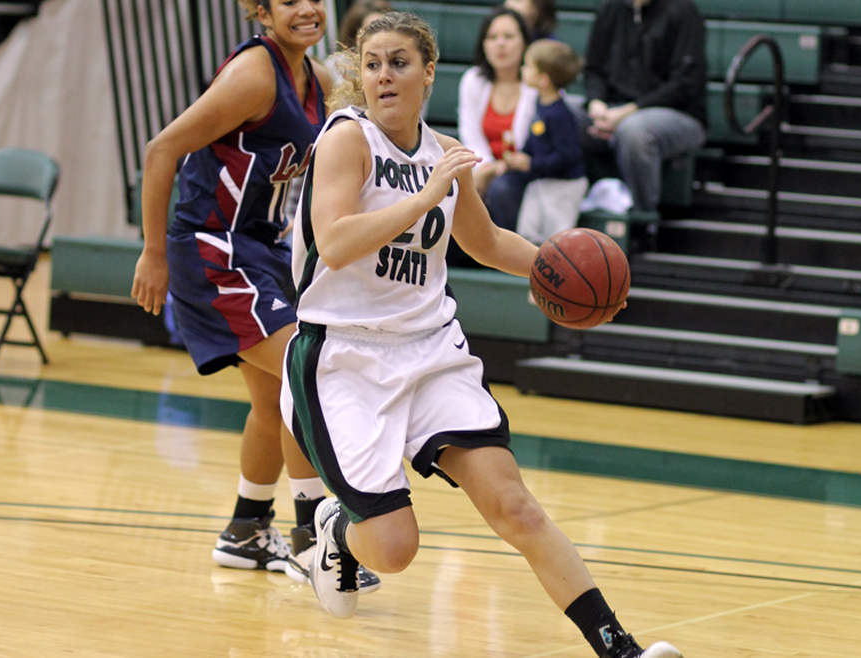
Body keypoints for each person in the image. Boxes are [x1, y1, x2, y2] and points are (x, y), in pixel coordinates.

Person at [281, 11, 682, 658]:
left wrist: (563, 271)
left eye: (399, 63)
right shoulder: (345, 140)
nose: (384, 76)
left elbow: (485, 240)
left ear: (429, 72)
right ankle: (338, 528)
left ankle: (619, 647)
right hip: (342, 354)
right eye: (373, 64)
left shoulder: (444, 154)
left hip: (430, 347)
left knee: (515, 507)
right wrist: (420, 198)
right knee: (394, 548)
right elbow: (332, 243)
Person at [130, 0, 379, 592]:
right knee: (304, 372)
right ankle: (313, 539)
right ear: (261, 12)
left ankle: (245, 530)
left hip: (260, 247)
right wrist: (153, 253)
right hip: (210, 246)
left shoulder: (316, 78)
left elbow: (362, 130)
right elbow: (161, 149)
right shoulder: (254, 73)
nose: (308, 8)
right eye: (289, 0)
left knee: (274, 400)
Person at [580, 0, 707, 212]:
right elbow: (593, 69)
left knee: (634, 130)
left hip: (676, 114)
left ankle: (641, 218)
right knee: (560, 112)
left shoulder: (683, 11)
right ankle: (572, 209)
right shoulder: (610, 9)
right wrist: (596, 103)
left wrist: (627, 112)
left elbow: (685, 85)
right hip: (611, 109)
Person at [485, 39, 588, 243]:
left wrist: (532, 163)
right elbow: (535, 138)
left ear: (543, 79)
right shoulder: (540, 104)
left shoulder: (559, 114)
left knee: (556, 238)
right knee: (530, 232)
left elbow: (568, 156)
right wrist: (522, 155)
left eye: (528, 66)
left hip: (564, 185)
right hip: (543, 180)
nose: (523, 69)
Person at [457, 6, 537, 199]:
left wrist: (503, 168)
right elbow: (470, 135)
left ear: (525, 42)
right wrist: (488, 168)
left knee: (501, 191)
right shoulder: (473, 80)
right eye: (492, 38)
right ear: (483, 44)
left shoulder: (537, 84)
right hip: (483, 167)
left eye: (508, 37)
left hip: (526, 173)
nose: (500, 44)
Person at [326, 0, 394, 88]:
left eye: (385, 30)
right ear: (356, 37)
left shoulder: (399, 64)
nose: (379, 37)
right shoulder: (336, 66)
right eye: (371, 32)